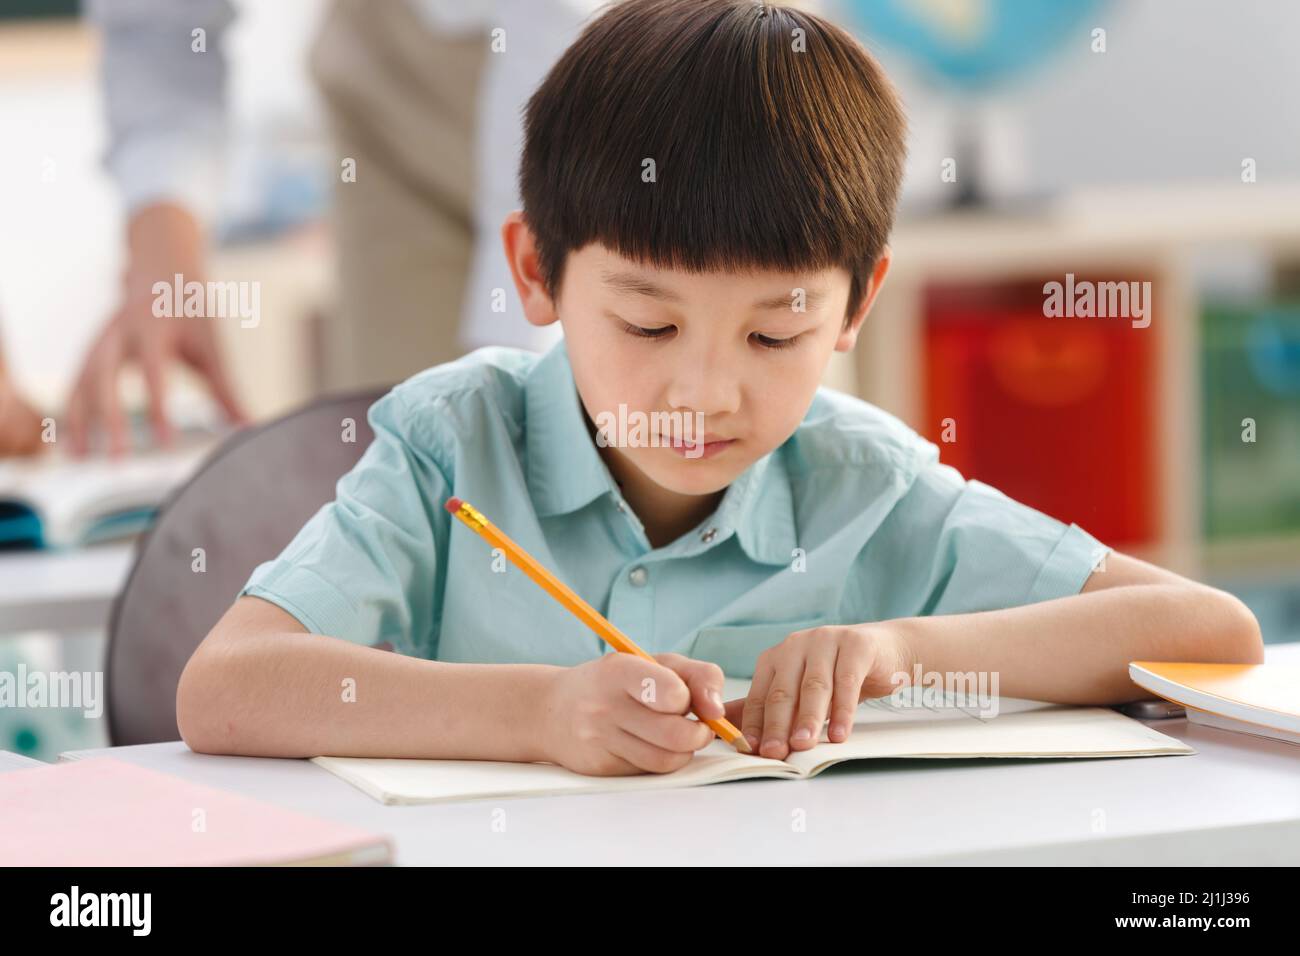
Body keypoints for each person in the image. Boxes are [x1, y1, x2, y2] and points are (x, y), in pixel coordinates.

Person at [176, 0, 1262, 776]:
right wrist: (542, 711)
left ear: (853, 305)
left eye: (775, 330)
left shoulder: (860, 480)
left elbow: (1208, 631)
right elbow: (223, 687)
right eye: (649, 322)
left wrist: (901, 651)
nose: (704, 388)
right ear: (535, 273)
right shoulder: (453, 443)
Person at [70, 0, 593, 455]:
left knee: (557, 438)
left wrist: (516, 376)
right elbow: (158, 24)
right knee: (399, 463)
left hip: (599, 65)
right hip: (388, 84)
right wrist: (165, 257)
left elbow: (562, 28)